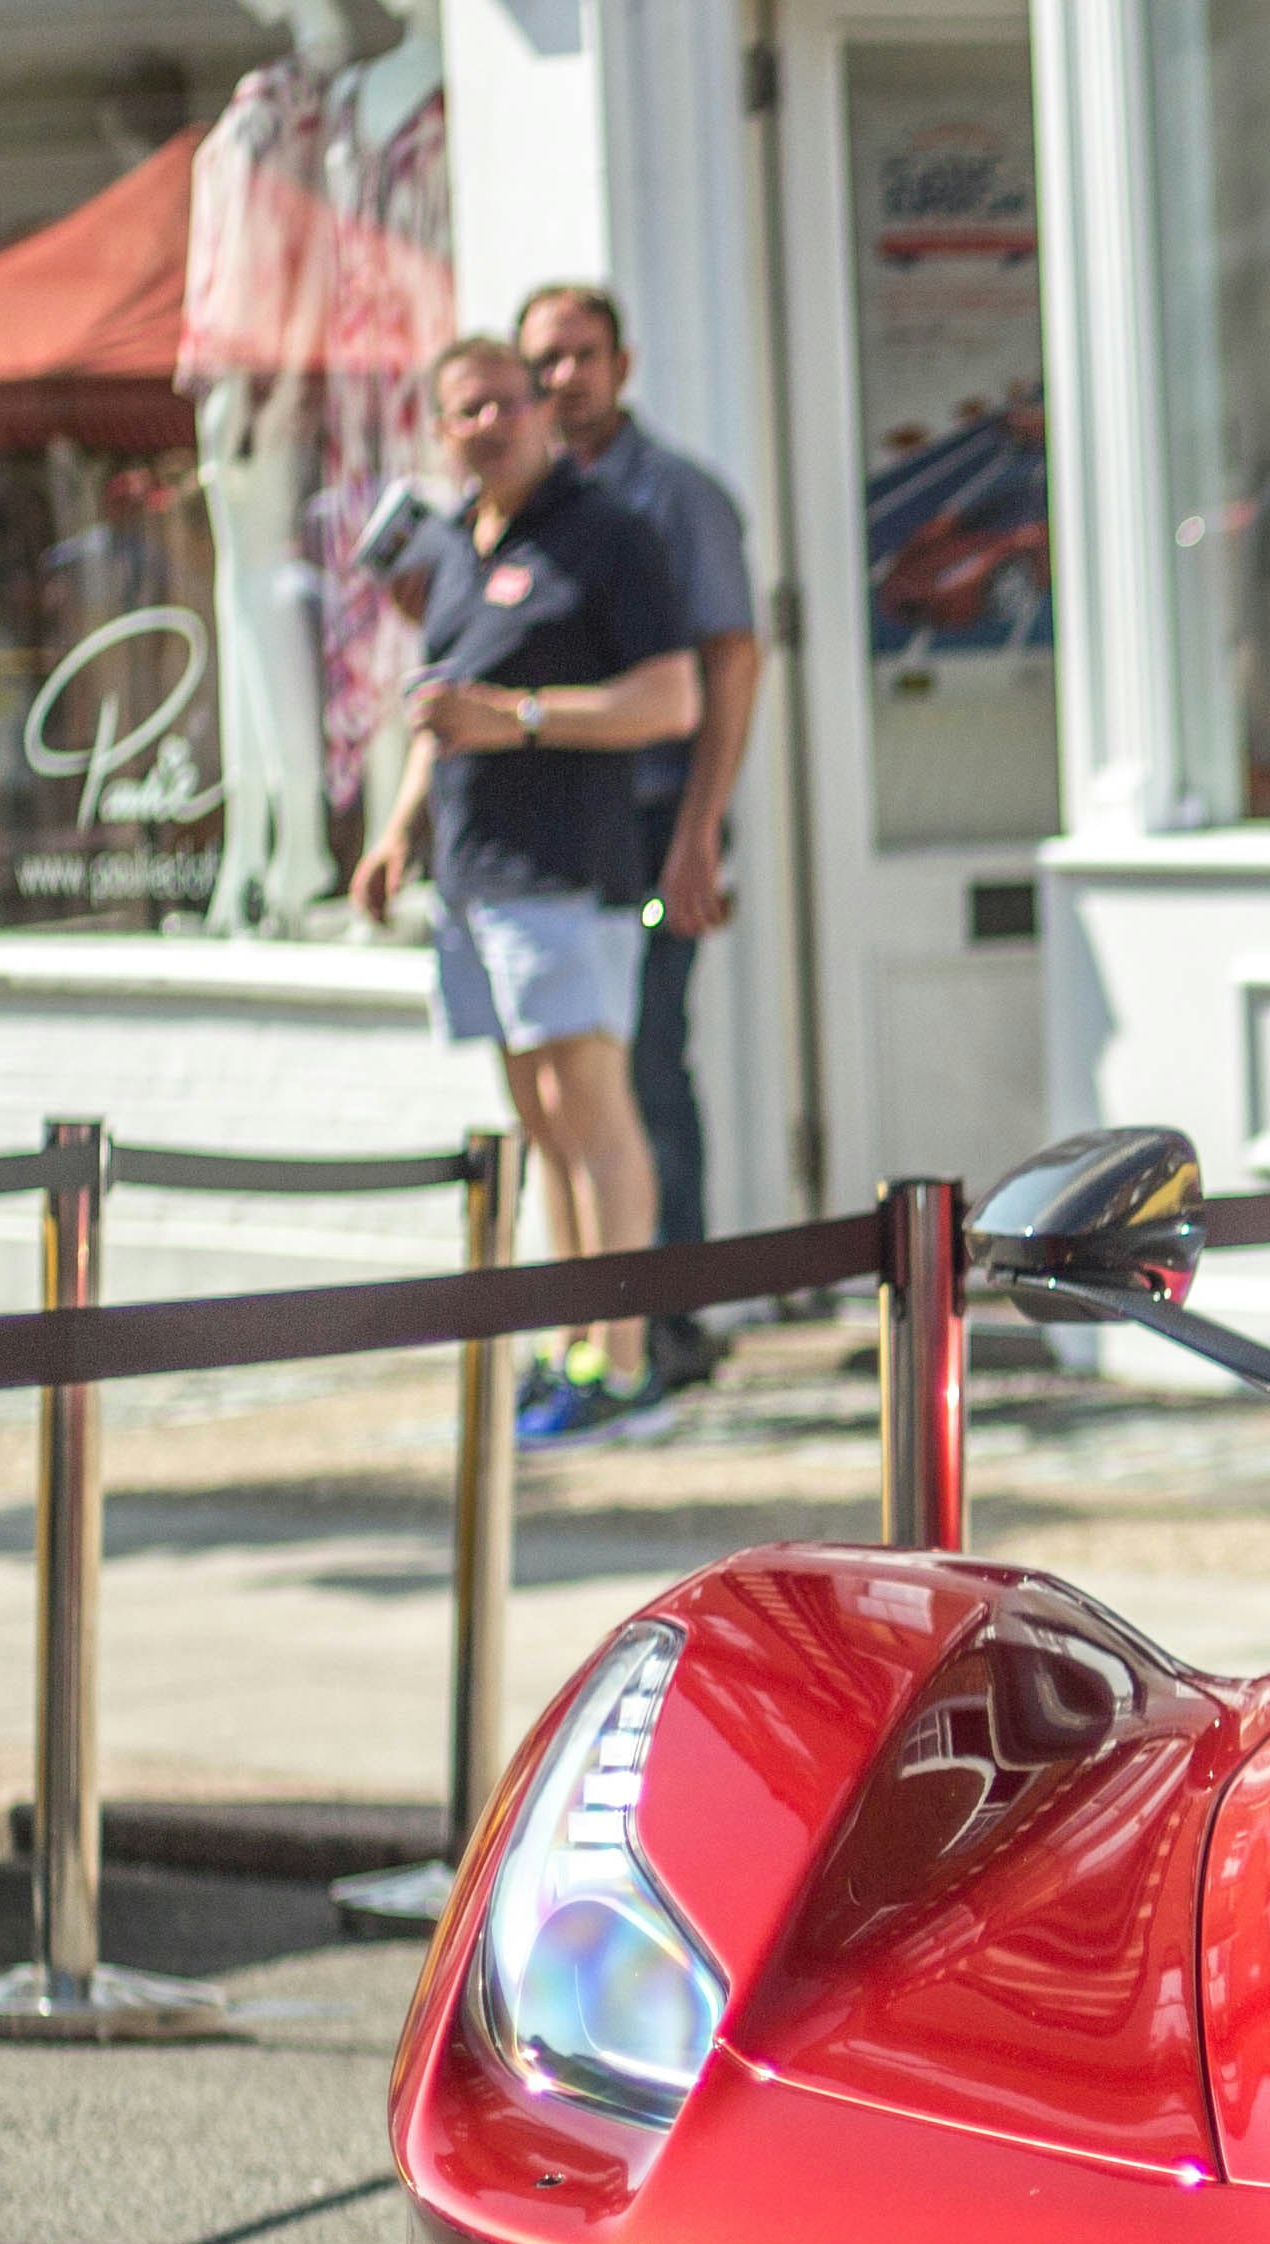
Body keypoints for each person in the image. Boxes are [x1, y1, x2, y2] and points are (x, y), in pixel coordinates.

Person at [347, 331, 699, 1436]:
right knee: (539, 1119)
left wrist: (523, 719)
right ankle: (574, 1342)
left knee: (595, 1114)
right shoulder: (453, 545)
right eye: (468, 411)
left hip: (568, 871)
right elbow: (440, 708)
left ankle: (630, 1367)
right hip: (474, 878)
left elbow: (672, 699)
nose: (492, 424)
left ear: (544, 411)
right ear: (443, 432)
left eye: (508, 402)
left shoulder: (608, 536)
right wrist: (398, 830)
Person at [516, 280, 761, 1396]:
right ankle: (597, 1330)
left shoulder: (678, 498)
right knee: (574, 1086)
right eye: (544, 360)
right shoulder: (529, 506)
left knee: (649, 1065)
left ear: (625, 363)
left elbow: (734, 665)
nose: (562, 378)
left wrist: (700, 833)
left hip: (660, 824)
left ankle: (671, 1329)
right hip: (564, 838)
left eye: (581, 355)